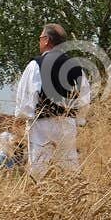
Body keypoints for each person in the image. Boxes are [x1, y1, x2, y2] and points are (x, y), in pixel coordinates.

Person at [13, 22, 90, 181]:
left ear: (47, 40)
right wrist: (78, 121)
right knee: (69, 171)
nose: (39, 40)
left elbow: (26, 101)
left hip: (41, 126)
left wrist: (20, 120)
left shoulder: (36, 65)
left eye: (41, 37)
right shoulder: (76, 67)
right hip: (67, 125)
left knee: (39, 173)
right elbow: (84, 100)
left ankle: (40, 202)